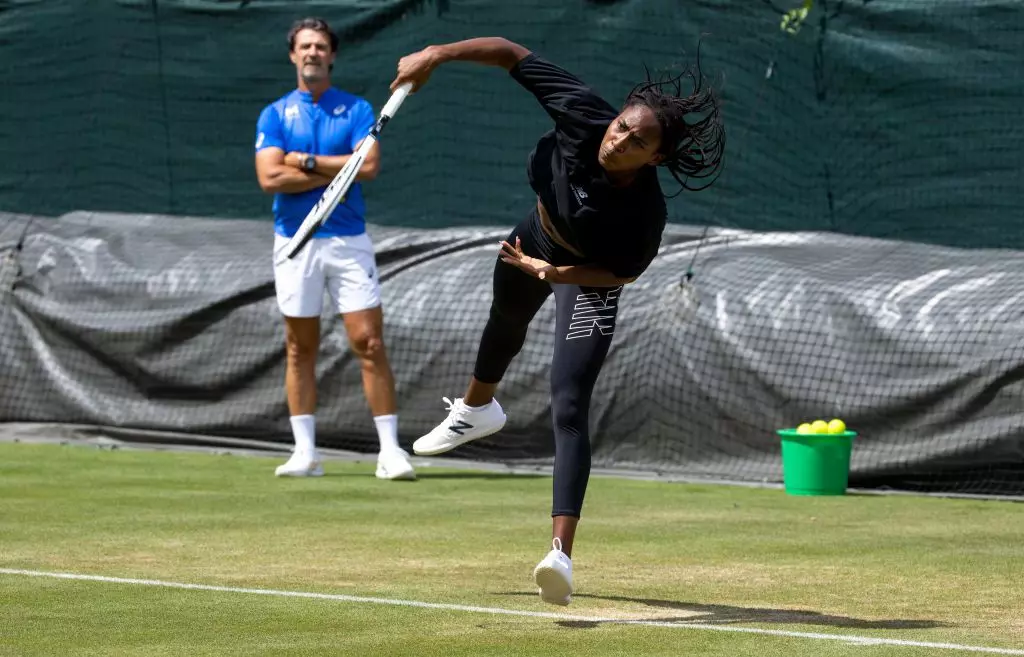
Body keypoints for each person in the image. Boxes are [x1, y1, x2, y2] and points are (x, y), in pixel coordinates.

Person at [390, 37, 724, 604]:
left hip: (588, 273)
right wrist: (435, 55)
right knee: (505, 323)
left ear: (656, 159)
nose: (619, 140)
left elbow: (618, 276)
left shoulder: (644, 215)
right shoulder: (583, 112)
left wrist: (552, 273)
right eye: (621, 126)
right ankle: (477, 409)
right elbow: (507, 52)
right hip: (538, 232)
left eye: (637, 141)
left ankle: (559, 555)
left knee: (568, 401)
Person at [254, 17, 415, 481]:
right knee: (298, 347)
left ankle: (390, 452)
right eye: (305, 46)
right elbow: (269, 178)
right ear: (293, 54)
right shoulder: (274, 114)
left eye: (320, 46)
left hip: (347, 241)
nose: (312, 53)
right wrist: (340, 168)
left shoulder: (358, 109)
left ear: (332, 55)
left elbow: (368, 166)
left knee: (370, 341)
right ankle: (305, 453)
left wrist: (301, 161)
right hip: (295, 241)